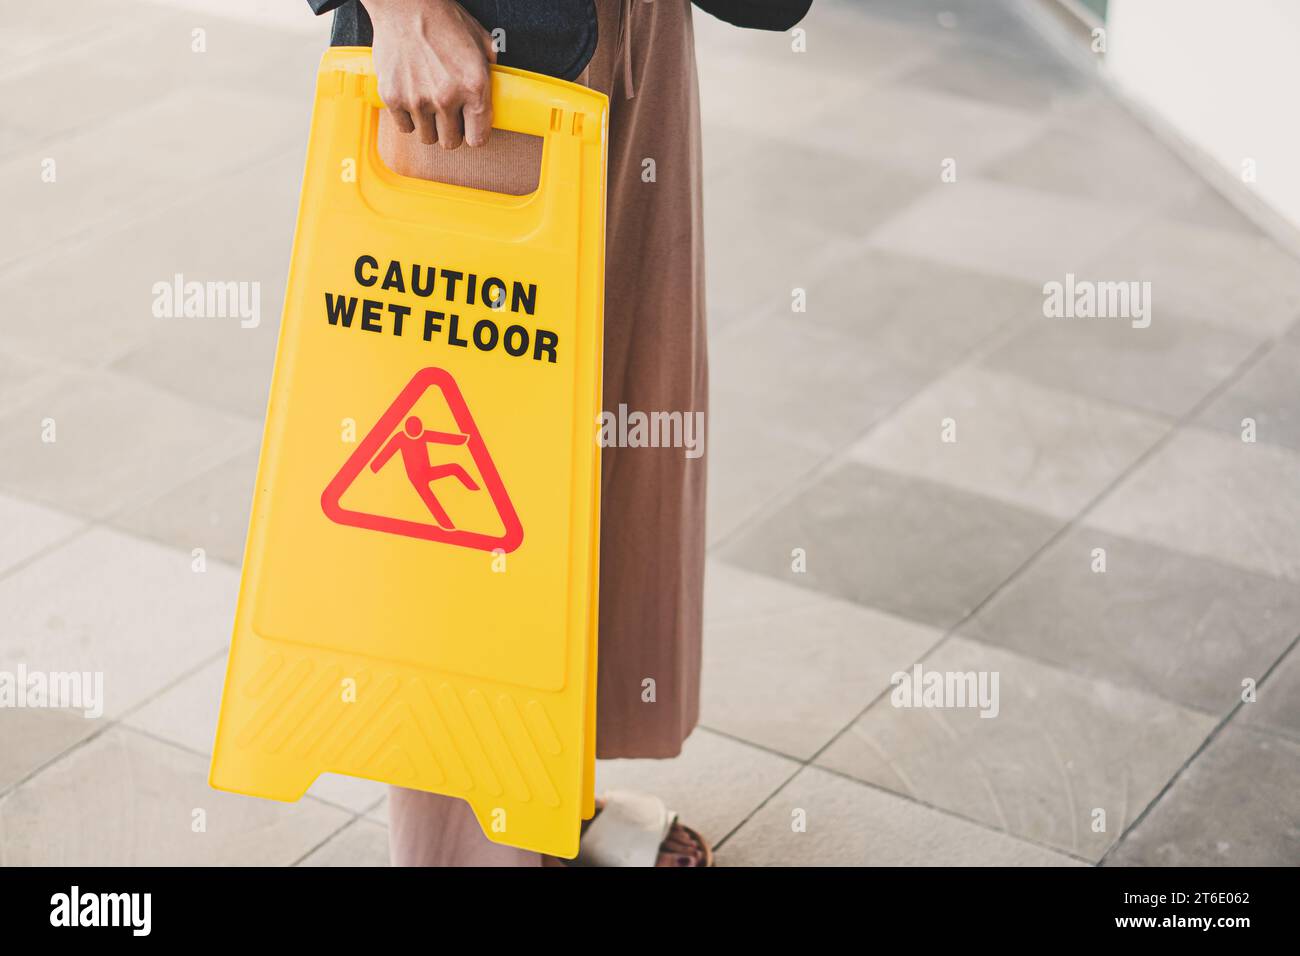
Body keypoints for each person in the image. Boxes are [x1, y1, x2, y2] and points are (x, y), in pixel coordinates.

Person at [306, 0, 709, 866]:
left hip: (634, 26)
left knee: (611, 421)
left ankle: (538, 792)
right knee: (459, 484)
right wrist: (403, 13)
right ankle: (463, 853)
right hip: (470, 49)